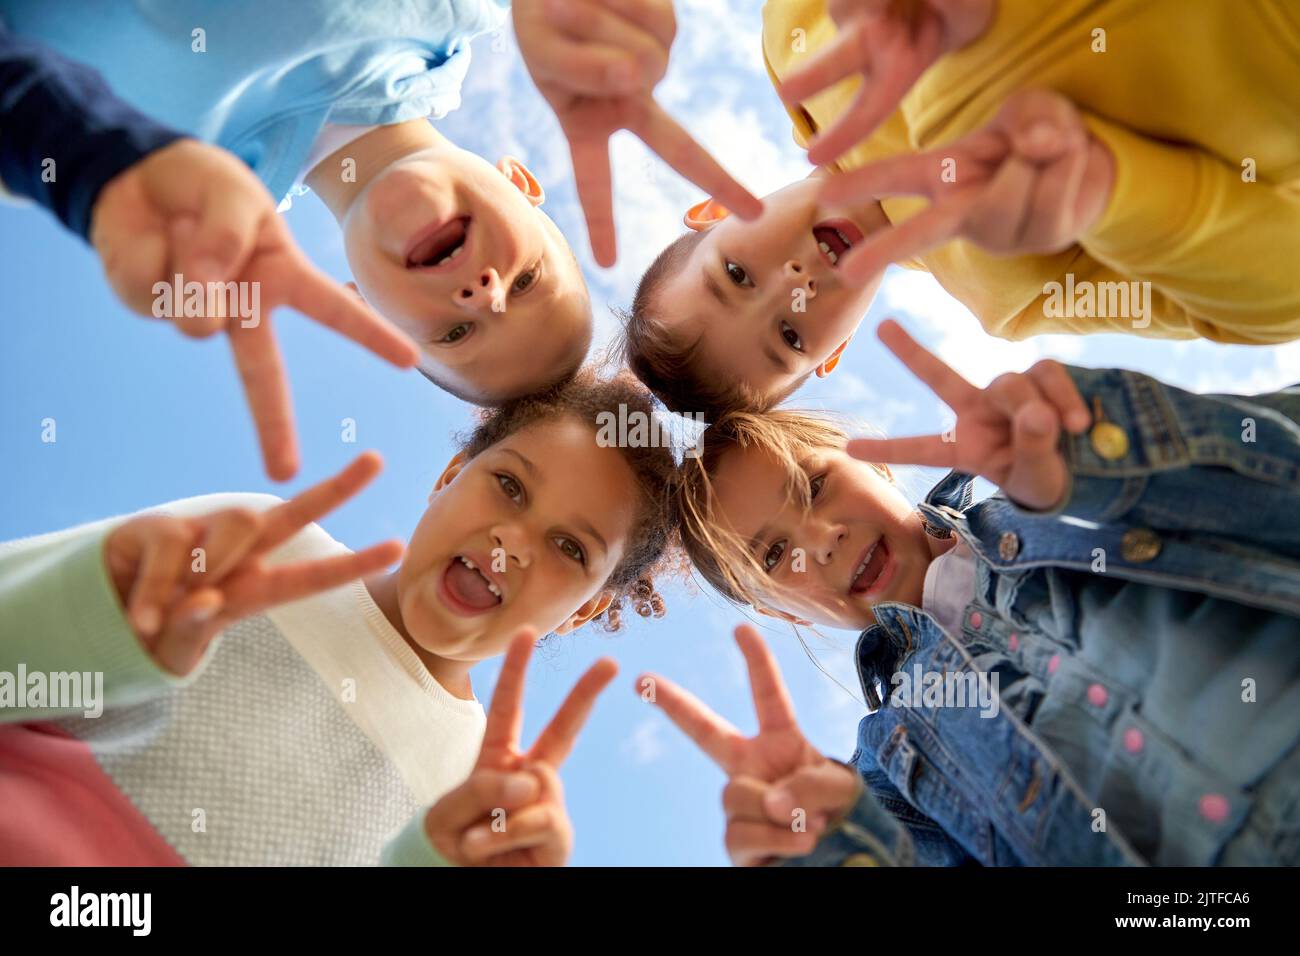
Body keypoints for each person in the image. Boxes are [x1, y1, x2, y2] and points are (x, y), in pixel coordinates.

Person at [657, 320, 1300, 865]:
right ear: (776, 608)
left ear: (876, 465)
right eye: (774, 554)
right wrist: (829, 840)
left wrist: (1103, 454)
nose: (822, 539)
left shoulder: (1046, 487)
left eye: (816, 486)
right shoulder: (887, 764)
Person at [0, 370, 680, 864]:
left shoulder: (479, 792)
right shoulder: (265, 548)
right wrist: (91, 622)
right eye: (508, 485)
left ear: (585, 609)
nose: (515, 542)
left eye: (570, 548)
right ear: (450, 474)